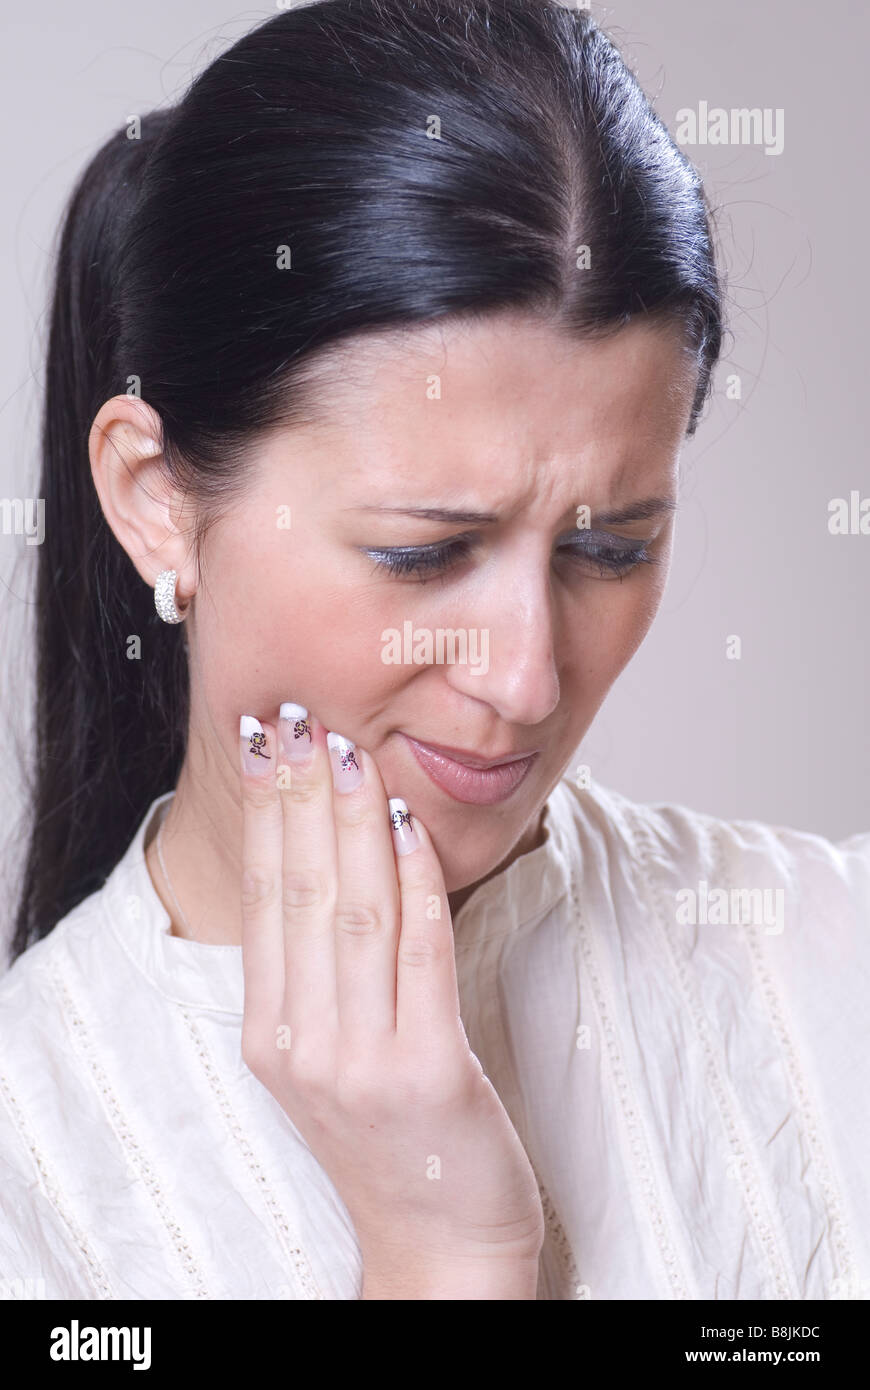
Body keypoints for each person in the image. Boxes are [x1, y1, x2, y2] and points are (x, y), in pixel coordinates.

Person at [1, 0, 867, 1301]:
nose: (523, 680)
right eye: (422, 551)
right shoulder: (34, 1172)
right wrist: (441, 1253)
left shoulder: (832, 958)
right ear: (152, 495)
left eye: (611, 547)